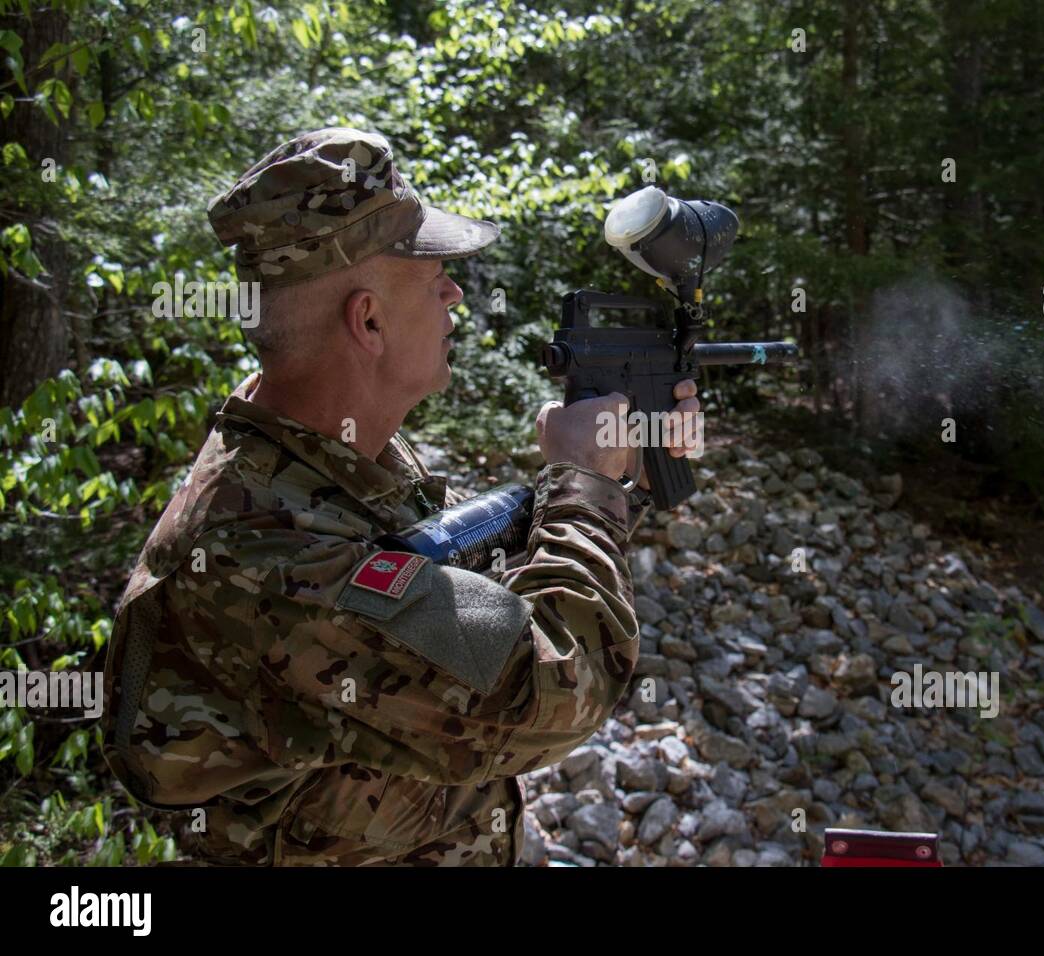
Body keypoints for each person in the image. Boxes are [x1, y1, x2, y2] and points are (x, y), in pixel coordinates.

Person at [99, 127, 699, 865]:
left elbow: (448, 616)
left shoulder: (322, 451)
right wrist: (586, 485)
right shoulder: (264, 554)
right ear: (369, 320)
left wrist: (600, 473)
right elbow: (555, 686)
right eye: (431, 273)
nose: (453, 291)